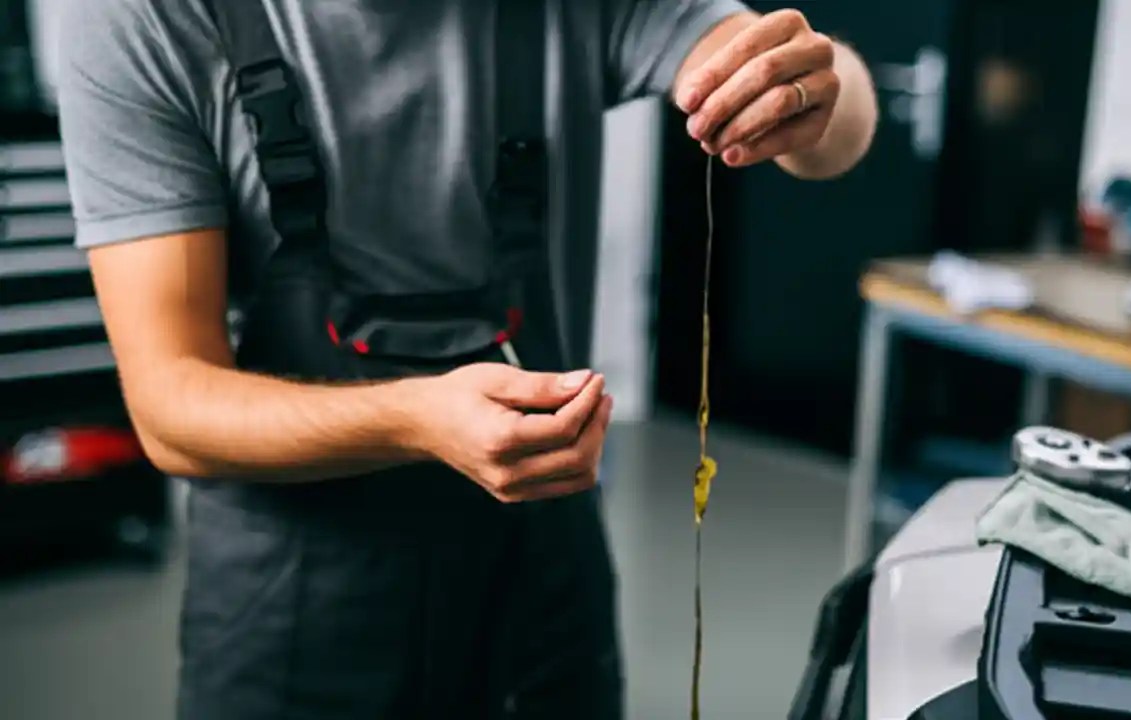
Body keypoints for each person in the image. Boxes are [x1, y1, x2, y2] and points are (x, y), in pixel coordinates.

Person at [56, 0, 877, 717]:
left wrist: (813, 94)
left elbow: (832, 120)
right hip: (289, 608)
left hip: (540, 595)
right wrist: (416, 418)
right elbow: (172, 408)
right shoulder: (146, 16)